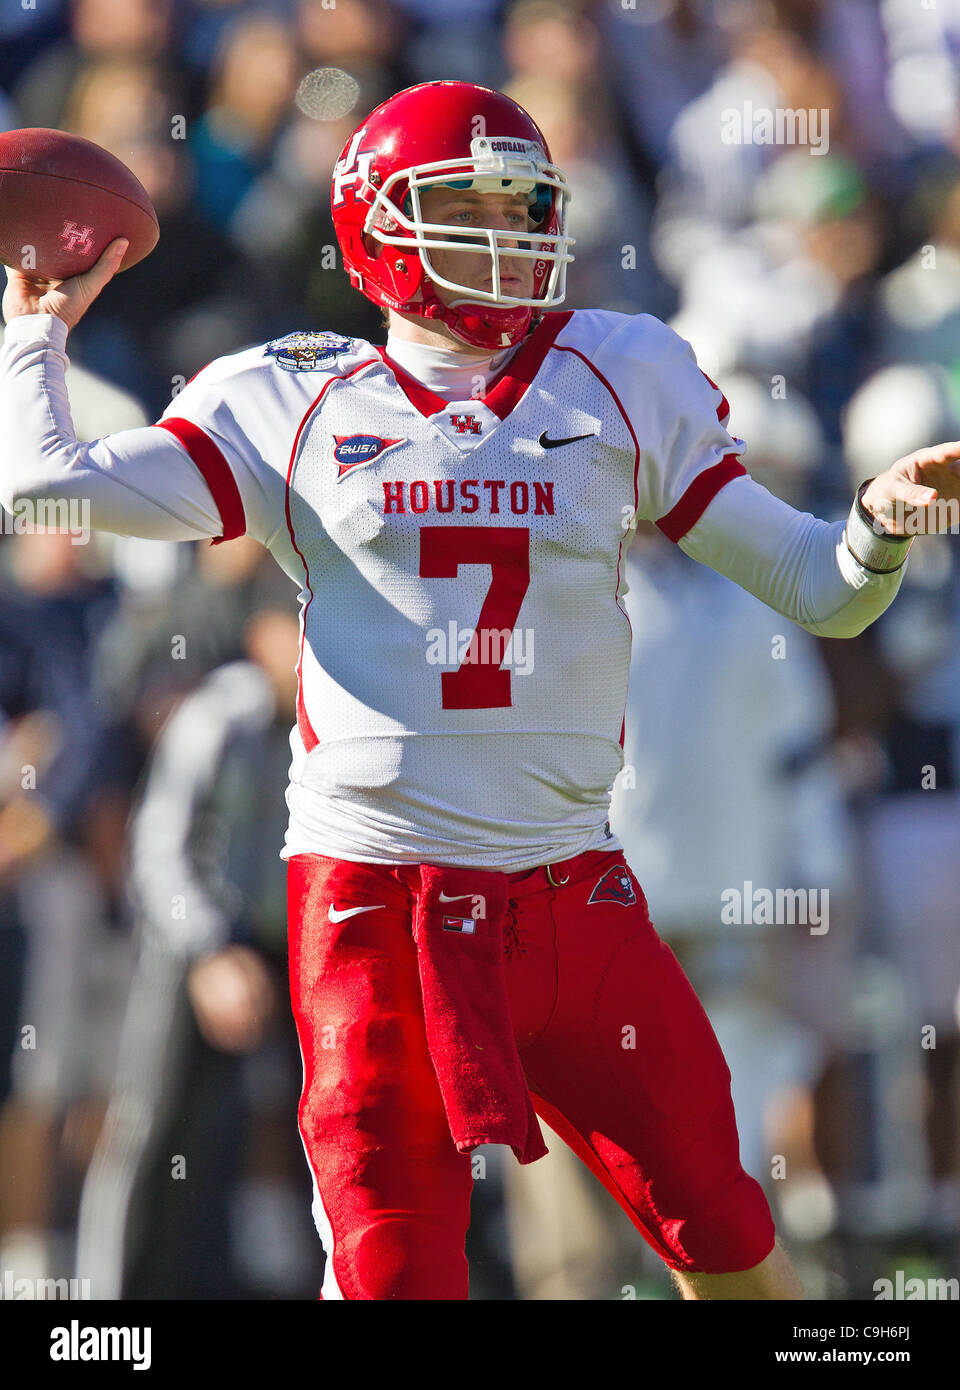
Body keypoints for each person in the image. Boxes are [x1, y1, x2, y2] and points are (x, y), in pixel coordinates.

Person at [2, 80, 959, 1302]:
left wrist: (879, 523)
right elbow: (46, 489)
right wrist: (34, 324)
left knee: (727, 1237)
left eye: (526, 209)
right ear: (373, 226)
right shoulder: (294, 394)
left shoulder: (617, 372)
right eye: (470, 207)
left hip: (571, 889)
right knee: (397, 1268)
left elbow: (824, 592)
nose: (508, 240)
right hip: (373, 904)